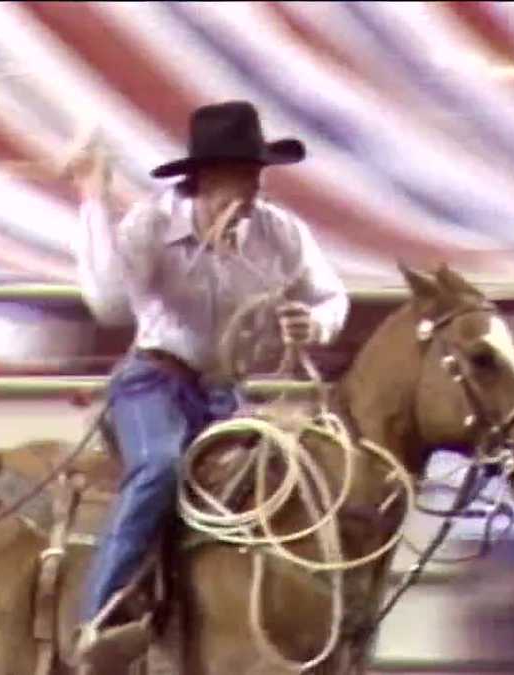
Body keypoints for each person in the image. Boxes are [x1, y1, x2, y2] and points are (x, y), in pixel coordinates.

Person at [66, 100, 349, 664]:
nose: (248, 192)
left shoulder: (279, 232)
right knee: (161, 465)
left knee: (285, 474)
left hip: (227, 392)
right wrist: (94, 200)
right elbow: (108, 302)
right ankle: (98, 618)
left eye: (254, 176)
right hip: (155, 380)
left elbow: (331, 296)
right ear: (201, 178)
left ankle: (251, 620)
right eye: (236, 177)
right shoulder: (151, 225)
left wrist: (311, 323)